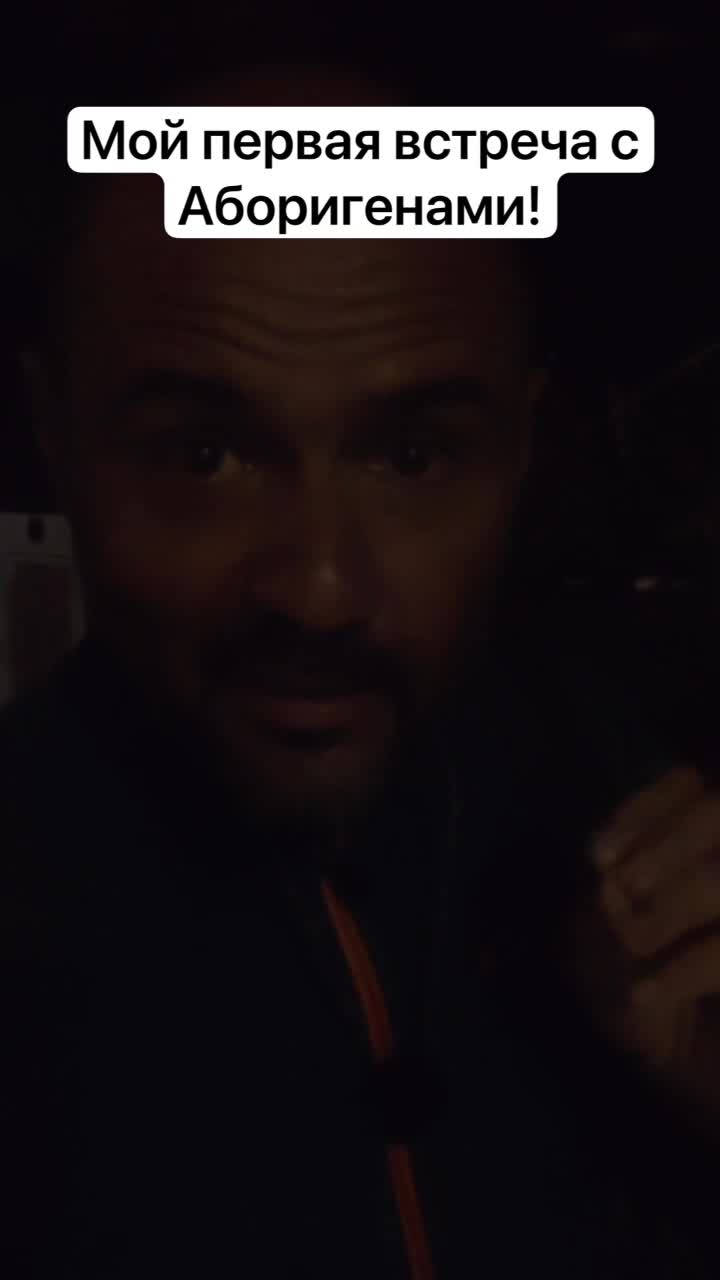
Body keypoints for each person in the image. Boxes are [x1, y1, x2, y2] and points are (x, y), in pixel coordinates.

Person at [4, 56, 720, 1280]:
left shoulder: (629, 792)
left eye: (413, 456)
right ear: (55, 435)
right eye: (204, 454)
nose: (321, 588)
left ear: (523, 445)